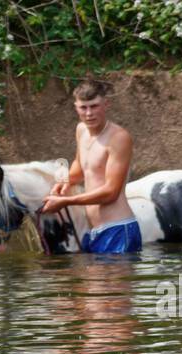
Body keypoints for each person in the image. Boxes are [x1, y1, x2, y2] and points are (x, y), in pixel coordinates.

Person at [40, 78, 141, 254]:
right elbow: (80, 168)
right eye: (83, 107)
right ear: (76, 107)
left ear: (106, 104)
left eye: (94, 106)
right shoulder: (81, 130)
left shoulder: (118, 138)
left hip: (118, 230)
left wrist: (64, 201)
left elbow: (111, 193)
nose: (89, 113)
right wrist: (64, 181)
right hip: (93, 231)